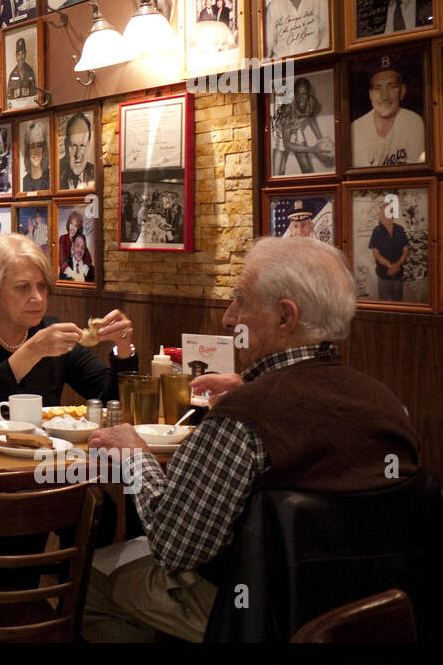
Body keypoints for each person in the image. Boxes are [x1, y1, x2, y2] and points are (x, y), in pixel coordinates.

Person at [83, 237, 419, 641]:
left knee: (85, 581)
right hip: (374, 610)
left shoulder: (243, 421)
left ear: (285, 317)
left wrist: (134, 455)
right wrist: (251, 384)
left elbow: (174, 548)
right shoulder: (387, 405)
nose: (228, 318)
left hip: (256, 612)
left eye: (240, 301)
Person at [0, 233, 135, 420]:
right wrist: (33, 351)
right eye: (23, 287)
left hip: (34, 458)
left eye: (42, 286)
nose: (38, 298)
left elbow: (112, 401)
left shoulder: (51, 333)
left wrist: (123, 349)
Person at [350, 66, 425, 166]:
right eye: (378, 88)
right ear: (370, 95)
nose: (385, 96)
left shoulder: (413, 122)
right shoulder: (356, 128)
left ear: (402, 91)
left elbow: (416, 173)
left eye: (392, 87)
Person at [369, 195, 409, 301]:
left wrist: (397, 265)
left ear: (392, 215)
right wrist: (391, 266)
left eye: (386, 214)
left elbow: (405, 250)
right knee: (385, 304)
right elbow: (375, 253)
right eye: (381, 214)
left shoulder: (400, 229)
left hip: (398, 274)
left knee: (399, 302)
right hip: (384, 275)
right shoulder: (376, 231)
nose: (383, 217)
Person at [58, 112, 94, 189]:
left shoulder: (96, 173)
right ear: (65, 145)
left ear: (88, 146)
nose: (78, 155)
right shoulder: (54, 174)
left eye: (83, 145)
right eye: (73, 145)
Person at [56, 209, 93, 275]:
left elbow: (88, 258)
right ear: (68, 224)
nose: (72, 228)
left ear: (78, 228)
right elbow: (61, 261)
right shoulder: (63, 238)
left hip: (79, 271)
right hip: (66, 273)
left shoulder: (81, 238)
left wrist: (83, 271)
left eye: (75, 226)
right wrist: (73, 274)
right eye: (71, 224)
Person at [21, 120, 50, 191]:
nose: (36, 152)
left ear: (44, 149)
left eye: (39, 145)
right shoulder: (25, 181)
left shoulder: (51, 177)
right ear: (28, 150)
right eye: (32, 147)